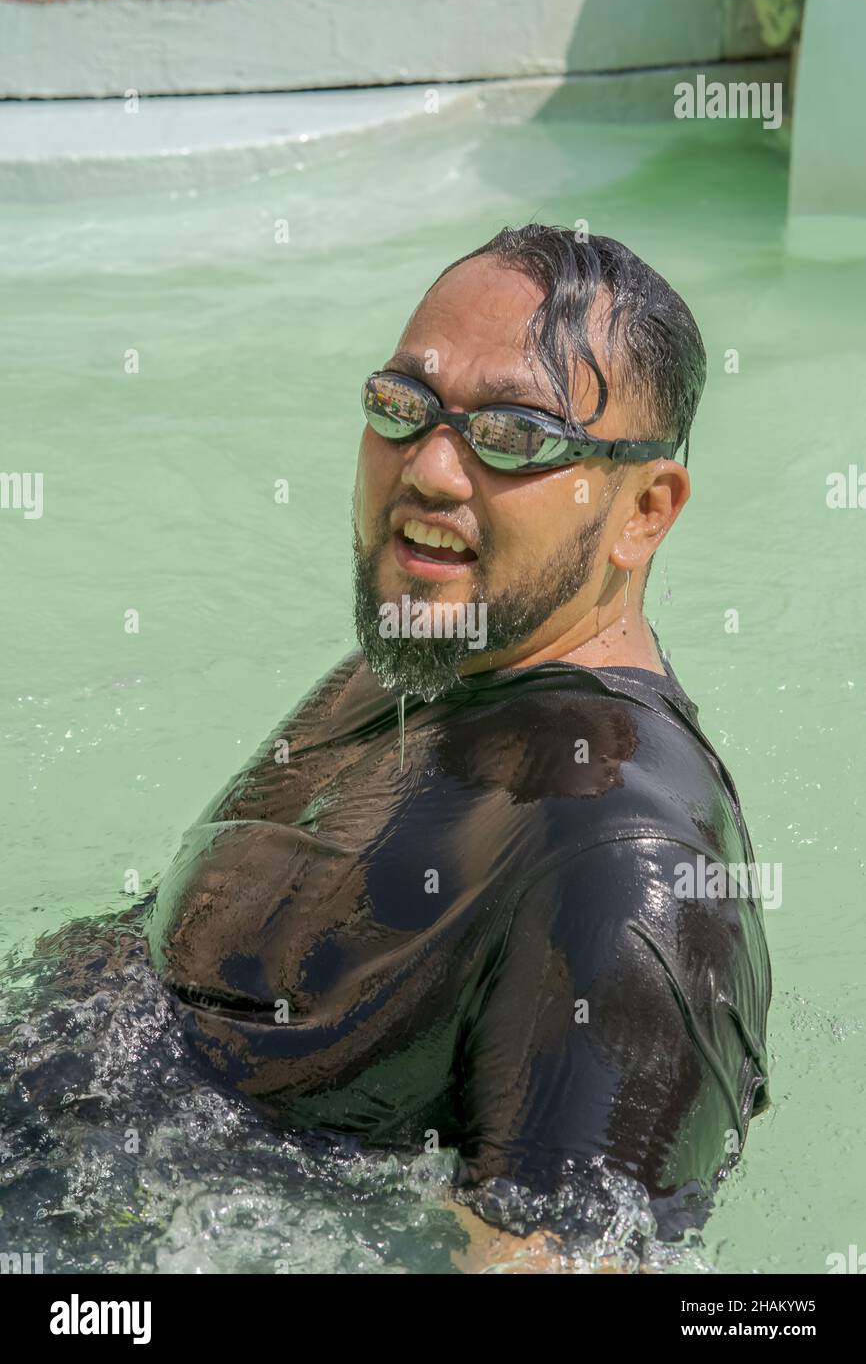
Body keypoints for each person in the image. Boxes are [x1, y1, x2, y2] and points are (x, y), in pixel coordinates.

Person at [145, 224, 772, 1271]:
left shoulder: (625, 873)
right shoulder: (415, 665)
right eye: (403, 406)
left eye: (516, 435)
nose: (430, 468)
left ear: (643, 511)